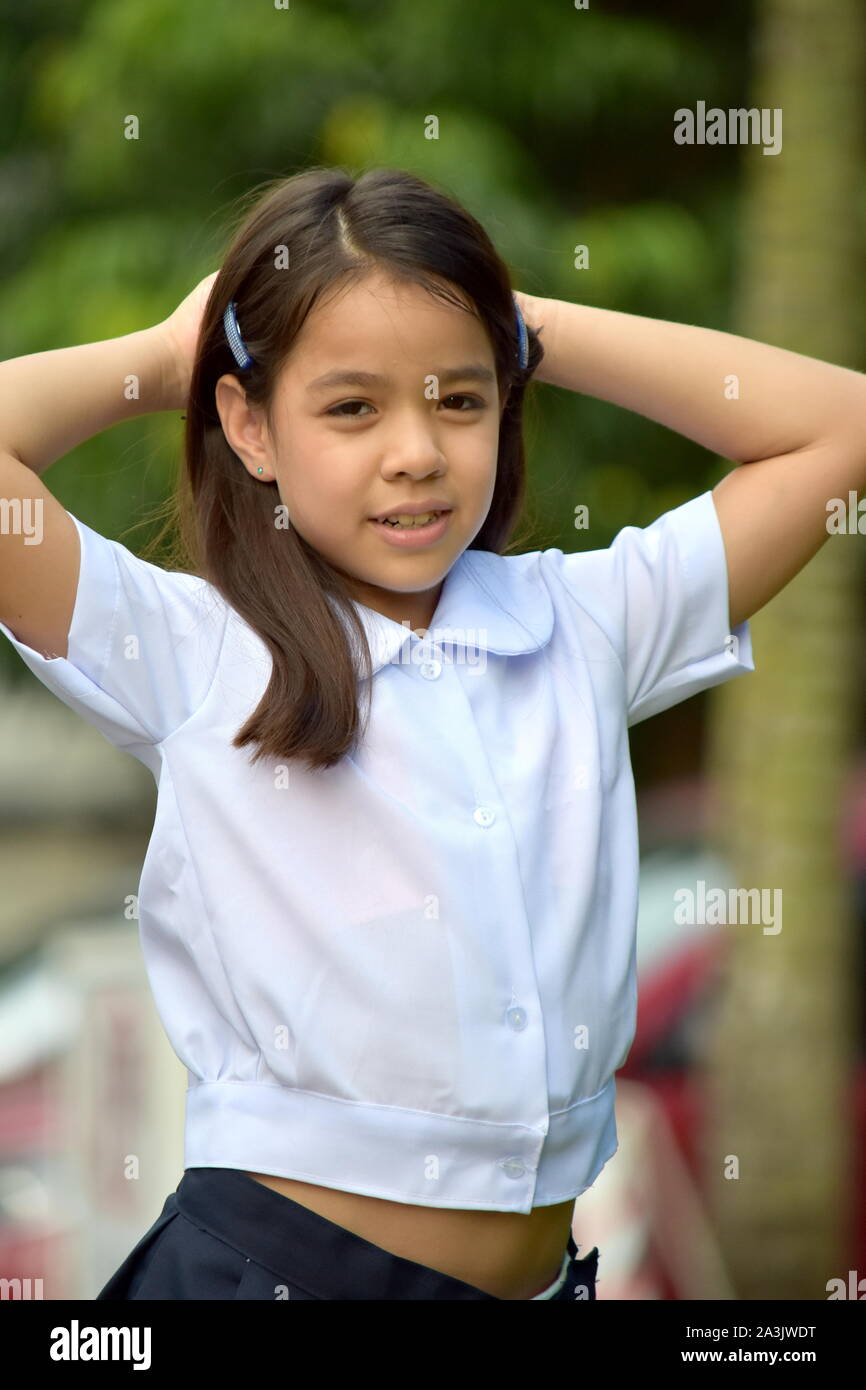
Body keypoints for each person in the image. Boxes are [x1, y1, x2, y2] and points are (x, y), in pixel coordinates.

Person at [1, 165, 862, 1300]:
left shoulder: (585, 623)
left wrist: (520, 322)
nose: (415, 450)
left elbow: (837, 428)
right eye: (352, 405)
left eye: (459, 399)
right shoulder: (192, 651)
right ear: (249, 425)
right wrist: (169, 359)